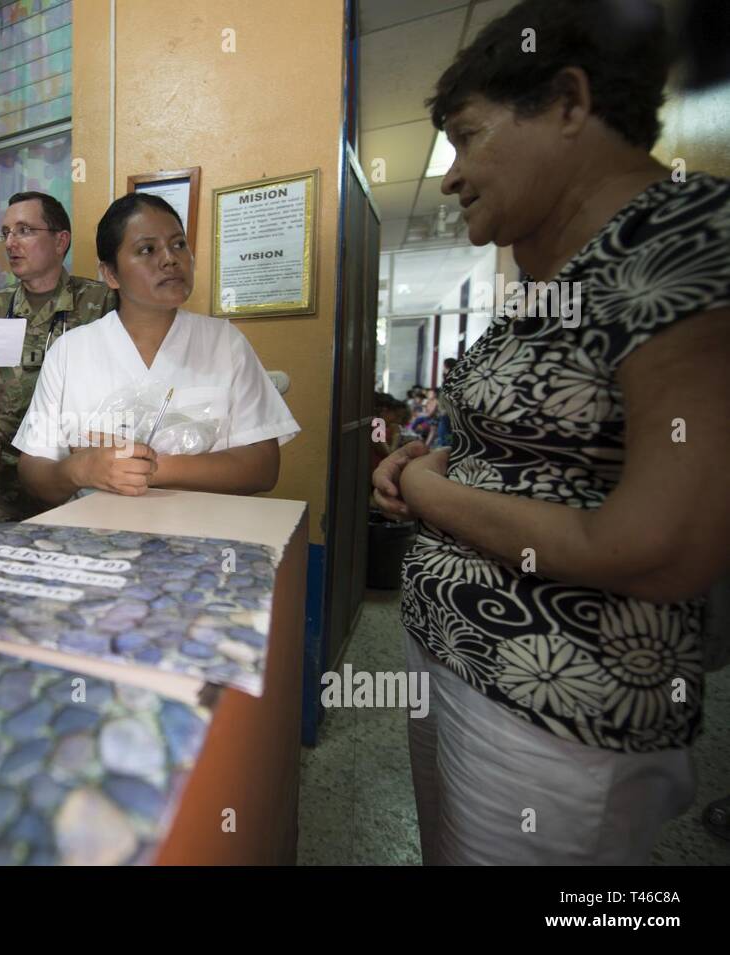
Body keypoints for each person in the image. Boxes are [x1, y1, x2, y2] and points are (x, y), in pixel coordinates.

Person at [372, 0, 730, 864]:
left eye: (468, 136)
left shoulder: (682, 237)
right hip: (465, 660)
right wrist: (445, 457)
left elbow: (656, 543)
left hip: (556, 704)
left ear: (569, 103)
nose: (453, 175)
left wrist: (425, 488)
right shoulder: (564, 276)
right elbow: (556, 449)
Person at [14, 193, 299, 502]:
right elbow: (32, 472)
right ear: (110, 274)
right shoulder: (70, 352)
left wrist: (150, 467)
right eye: (147, 249)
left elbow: (263, 467)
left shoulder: (224, 343)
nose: (170, 259)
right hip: (99, 537)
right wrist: (78, 470)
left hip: (204, 538)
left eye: (178, 244)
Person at [0, 191, 116, 522]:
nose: (10, 243)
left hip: (80, 490)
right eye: (6, 232)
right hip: (8, 492)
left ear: (61, 240)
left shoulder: (103, 303)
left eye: (24, 230)